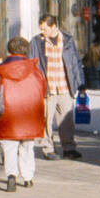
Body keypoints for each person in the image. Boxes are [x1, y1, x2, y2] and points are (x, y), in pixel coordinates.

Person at [0, 36, 47, 192]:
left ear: (9, 50)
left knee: (10, 148)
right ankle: (28, 177)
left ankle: (11, 175)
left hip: (7, 115)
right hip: (29, 115)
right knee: (27, 146)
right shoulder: (35, 71)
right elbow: (42, 91)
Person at [29, 15, 85, 161]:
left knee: (66, 120)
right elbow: (32, 65)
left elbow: (76, 62)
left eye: (45, 28)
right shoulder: (36, 42)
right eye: (41, 29)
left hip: (65, 86)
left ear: (53, 26)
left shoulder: (67, 39)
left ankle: (69, 148)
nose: (42, 32)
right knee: (46, 120)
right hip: (48, 88)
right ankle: (48, 149)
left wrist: (81, 83)